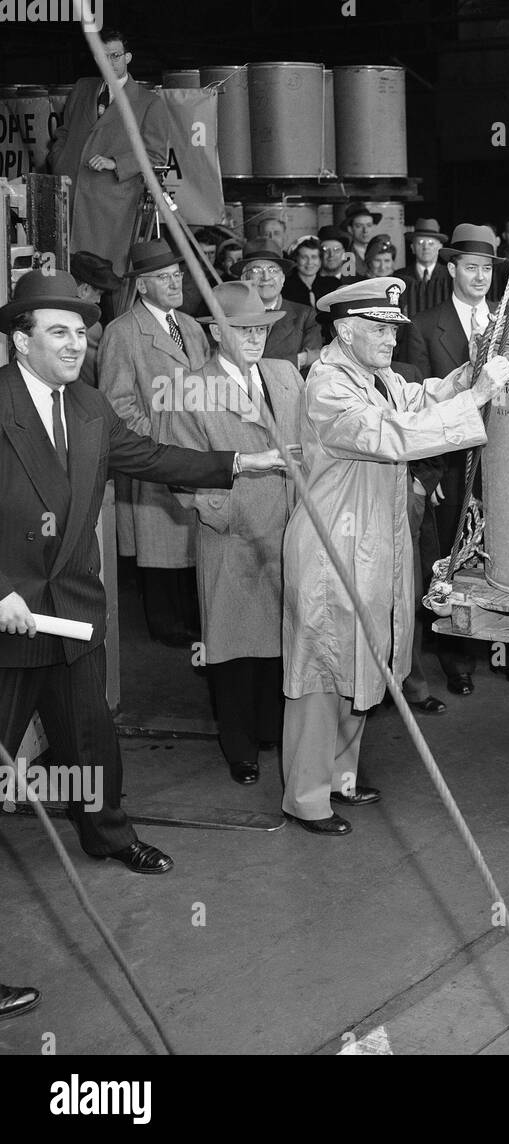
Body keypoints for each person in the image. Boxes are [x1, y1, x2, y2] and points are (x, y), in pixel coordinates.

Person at [0, 269, 284, 879]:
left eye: (80, 331)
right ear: (22, 342)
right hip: (10, 617)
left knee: (91, 740)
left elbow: (150, 456)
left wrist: (238, 460)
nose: (75, 344)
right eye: (58, 332)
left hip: (72, 607)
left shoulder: (88, 404)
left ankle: (107, 834)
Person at [279, 278, 509, 834]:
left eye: (393, 330)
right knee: (323, 670)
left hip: (371, 542)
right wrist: (477, 400)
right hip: (332, 546)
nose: (391, 340)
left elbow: (421, 399)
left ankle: (341, 778)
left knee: (363, 657)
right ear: (345, 330)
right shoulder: (328, 385)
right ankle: (305, 798)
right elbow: (388, 434)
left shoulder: (373, 374)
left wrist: (472, 373)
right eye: (380, 330)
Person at [161, 282, 305, 786]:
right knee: (232, 646)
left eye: (261, 328)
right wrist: (227, 515)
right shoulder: (190, 388)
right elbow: (181, 472)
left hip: (290, 531)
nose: (255, 338)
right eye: (242, 330)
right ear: (216, 334)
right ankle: (239, 746)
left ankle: (269, 729)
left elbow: (308, 442)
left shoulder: (284, 374)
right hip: (232, 537)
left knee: (280, 639)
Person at [401, 224, 509, 695]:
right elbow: (418, 402)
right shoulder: (421, 326)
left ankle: (508, 651)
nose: (480, 278)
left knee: (507, 550)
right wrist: (428, 466)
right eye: (472, 268)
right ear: (451, 268)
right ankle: (457, 660)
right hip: (452, 463)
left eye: (487, 270)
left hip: (506, 461)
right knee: (451, 557)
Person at [99, 240, 209, 646]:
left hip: (194, 452)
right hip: (154, 455)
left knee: (191, 541)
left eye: (177, 275)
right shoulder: (122, 332)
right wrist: (162, 440)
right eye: (163, 278)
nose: (175, 283)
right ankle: (165, 625)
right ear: (142, 287)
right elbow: (117, 403)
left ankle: (192, 620)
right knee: (160, 544)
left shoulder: (193, 328)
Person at [48, 29, 169, 276]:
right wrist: (59, 160)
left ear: (128, 57)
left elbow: (156, 155)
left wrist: (116, 163)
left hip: (112, 208)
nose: (109, 62)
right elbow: (63, 132)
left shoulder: (150, 102)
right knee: (66, 274)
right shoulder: (82, 87)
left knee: (107, 277)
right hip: (69, 197)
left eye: (115, 56)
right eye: (102, 56)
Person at [232, 240, 322, 372]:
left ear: (283, 279)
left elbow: (313, 365)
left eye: (273, 270)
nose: (266, 277)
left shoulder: (306, 315)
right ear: (244, 279)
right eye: (257, 270)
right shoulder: (232, 317)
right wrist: (299, 359)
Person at [69, 250, 122, 387]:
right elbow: (100, 377)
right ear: (84, 290)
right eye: (98, 293)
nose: (98, 300)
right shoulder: (90, 328)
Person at [395, 218, 451, 320]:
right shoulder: (400, 277)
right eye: (420, 243)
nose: (426, 247)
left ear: (440, 248)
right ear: (412, 247)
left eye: (431, 243)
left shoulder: (450, 276)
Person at [282, 236, 341, 315]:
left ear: (320, 261)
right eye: (304, 257)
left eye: (314, 257)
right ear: (296, 259)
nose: (309, 262)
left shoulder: (334, 284)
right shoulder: (284, 286)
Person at [342, 202, 380, 272]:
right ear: (350, 229)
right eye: (359, 226)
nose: (365, 230)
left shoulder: (380, 249)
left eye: (369, 225)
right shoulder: (345, 255)